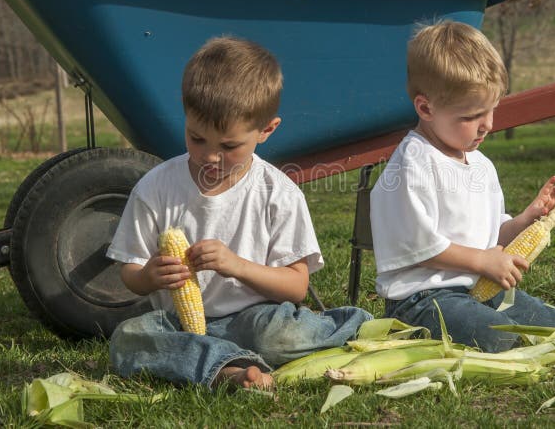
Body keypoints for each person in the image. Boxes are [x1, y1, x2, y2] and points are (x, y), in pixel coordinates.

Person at [107, 36, 371, 390]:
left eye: (229, 146)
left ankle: (349, 324)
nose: (210, 157)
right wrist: (149, 277)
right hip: (181, 325)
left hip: (254, 318)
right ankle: (230, 371)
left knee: (279, 335)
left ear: (267, 130)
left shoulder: (278, 193)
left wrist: (237, 265)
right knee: (129, 337)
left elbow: (296, 286)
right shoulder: (155, 188)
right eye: (196, 138)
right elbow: (130, 271)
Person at [370, 21, 555, 353]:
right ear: (426, 108)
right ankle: (416, 337)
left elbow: (491, 237)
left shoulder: (480, 164)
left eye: (492, 109)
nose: (488, 125)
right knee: (501, 336)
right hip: (422, 300)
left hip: (481, 289)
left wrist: (527, 219)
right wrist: (483, 262)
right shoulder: (412, 166)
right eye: (471, 116)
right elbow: (420, 245)